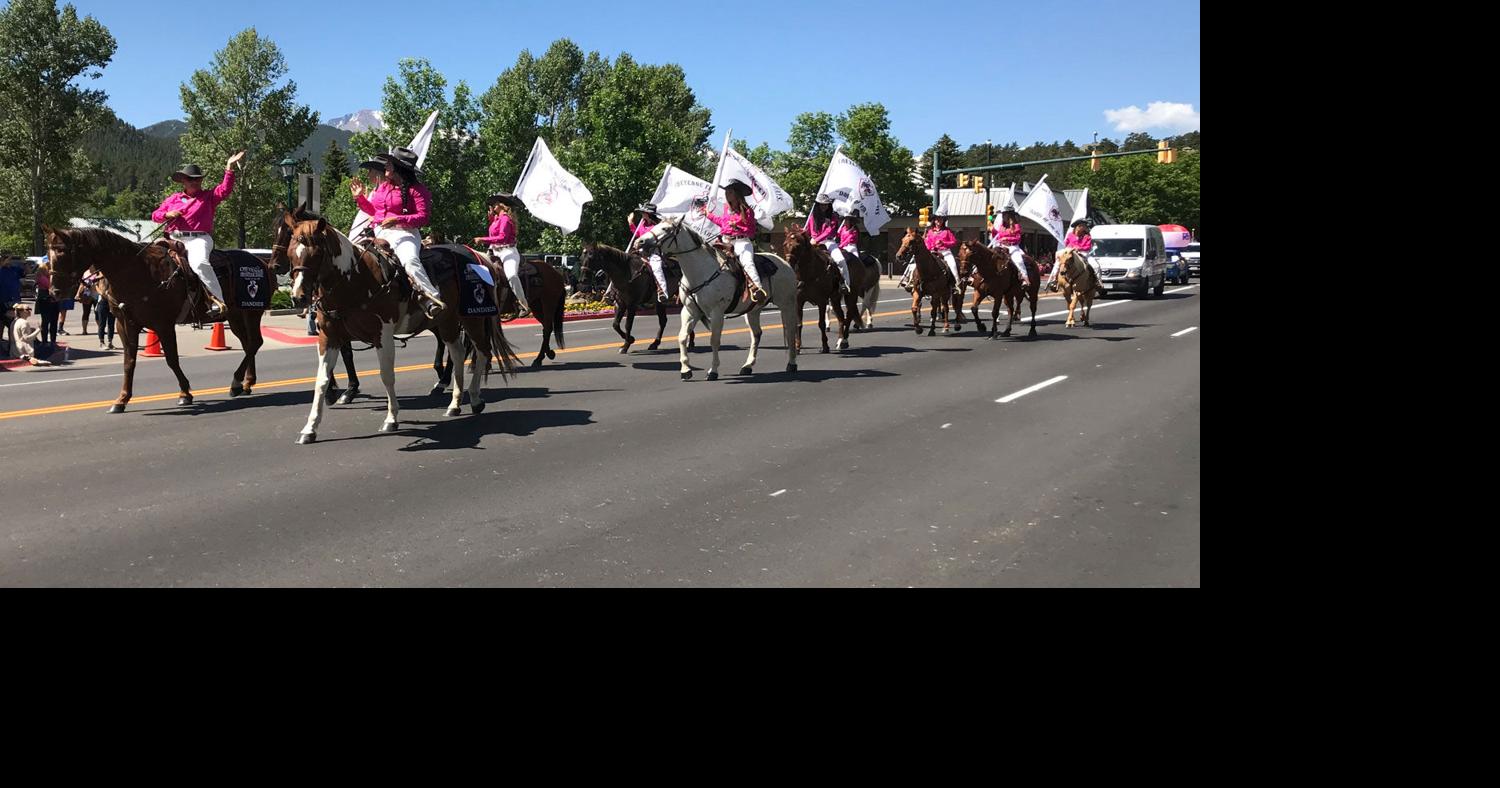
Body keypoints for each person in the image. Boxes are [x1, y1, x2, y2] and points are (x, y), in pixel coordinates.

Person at [150, 151, 247, 317]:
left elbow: (225, 190)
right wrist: (168, 214)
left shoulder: (209, 196)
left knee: (200, 263)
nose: (194, 182)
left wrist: (229, 168)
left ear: (201, 180)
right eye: (190, 179)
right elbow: (155, 216)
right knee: (149, 259)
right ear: (183, 181)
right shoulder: (173, 199)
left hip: (198, 239)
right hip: (173, 238)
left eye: (197, 179)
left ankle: (218, 300)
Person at [352, 147, 444, 318]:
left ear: (398, 167)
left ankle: (431, 298)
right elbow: (374, 212)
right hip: (379, 233)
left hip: (405, 234)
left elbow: (423, 218)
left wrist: (398, 219)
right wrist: (360, 198)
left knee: (410, 261)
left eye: (389, 163)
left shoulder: (417, 190)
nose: (385, 165)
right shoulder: (382, 188)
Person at [699, 178, 766, 303]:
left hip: (742, 242)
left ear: (736, 194)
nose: (726, 194)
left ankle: (757, 289)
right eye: (726, 192)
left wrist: (738, 227)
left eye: (729, 192)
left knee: (747, 262)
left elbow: (751, 232)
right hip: (725, 242)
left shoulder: (747, 211)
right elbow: (722, 222)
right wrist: (708, 215)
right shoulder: (726, 209)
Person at [474, 192, 529, 318]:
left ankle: (524, 304)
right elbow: (494, 234)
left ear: (502, 205)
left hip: (507, 251)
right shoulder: (497, 219)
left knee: (512, 276)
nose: (492, 206)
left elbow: (502, 237)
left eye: (495, 204)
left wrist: (483, 239)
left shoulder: (505, 219)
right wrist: (491, 219)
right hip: (494, 251)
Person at [903, 207, 957, 292]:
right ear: (934, 220)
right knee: (913, 263)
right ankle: (908, 281)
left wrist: (944, 243)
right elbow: (927, 242)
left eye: (941, 219)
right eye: (937, 219)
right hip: (932, 252)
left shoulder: (947, 231)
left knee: (953, 266)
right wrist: (930, 247)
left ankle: (955, 285)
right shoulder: (930, 231)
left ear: (943, 221)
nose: (939, 221)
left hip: (945, 252)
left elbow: (954, 242)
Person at [629, 202, 669, 303]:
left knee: (657, 268)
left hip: (652, 252)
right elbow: (637, 234)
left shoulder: (657, 225)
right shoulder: (642, 224)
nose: (642, 214)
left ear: (648, 214)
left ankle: (663, 292)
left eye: (643, 212)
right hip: (640, 251)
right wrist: (631, 223)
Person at [990, 207, 1032, 288]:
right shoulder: (1001, 226)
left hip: (1012, 247)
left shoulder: (1016, 226)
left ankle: (1025, 278)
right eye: (1002, 215)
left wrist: (1007, 239)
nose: (1003, 216)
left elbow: (1018, 238)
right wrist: (993, 230)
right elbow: (997, 236)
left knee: (1019, 261)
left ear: (1009, 215)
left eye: (1004, 214)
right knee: (989, 256)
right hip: (1000, 246)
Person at [86, 272, 115, 350]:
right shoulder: (98, 277)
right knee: (102, 323)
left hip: (111, 301)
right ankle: (102, 342)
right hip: (102, 302)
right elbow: (96, 287)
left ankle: (110, 342)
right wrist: (102, 293)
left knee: (111, 323)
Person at [34, 262, 58, 353]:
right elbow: (49, 285)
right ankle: (44, 341)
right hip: (45, 300)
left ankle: (53, 340)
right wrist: (51, 276)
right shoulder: (41, 276)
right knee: (46, 320)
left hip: (53, 300)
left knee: (54, 321)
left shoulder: (49, 275)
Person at [0, 252, 21, 355]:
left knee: (12, 325)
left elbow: (26, 272)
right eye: (7, 259)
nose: (10, 261)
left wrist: (24, 263)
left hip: (14, 301)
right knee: (1, 324)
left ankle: (11, 348)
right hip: (2, 301)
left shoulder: (14, 269)